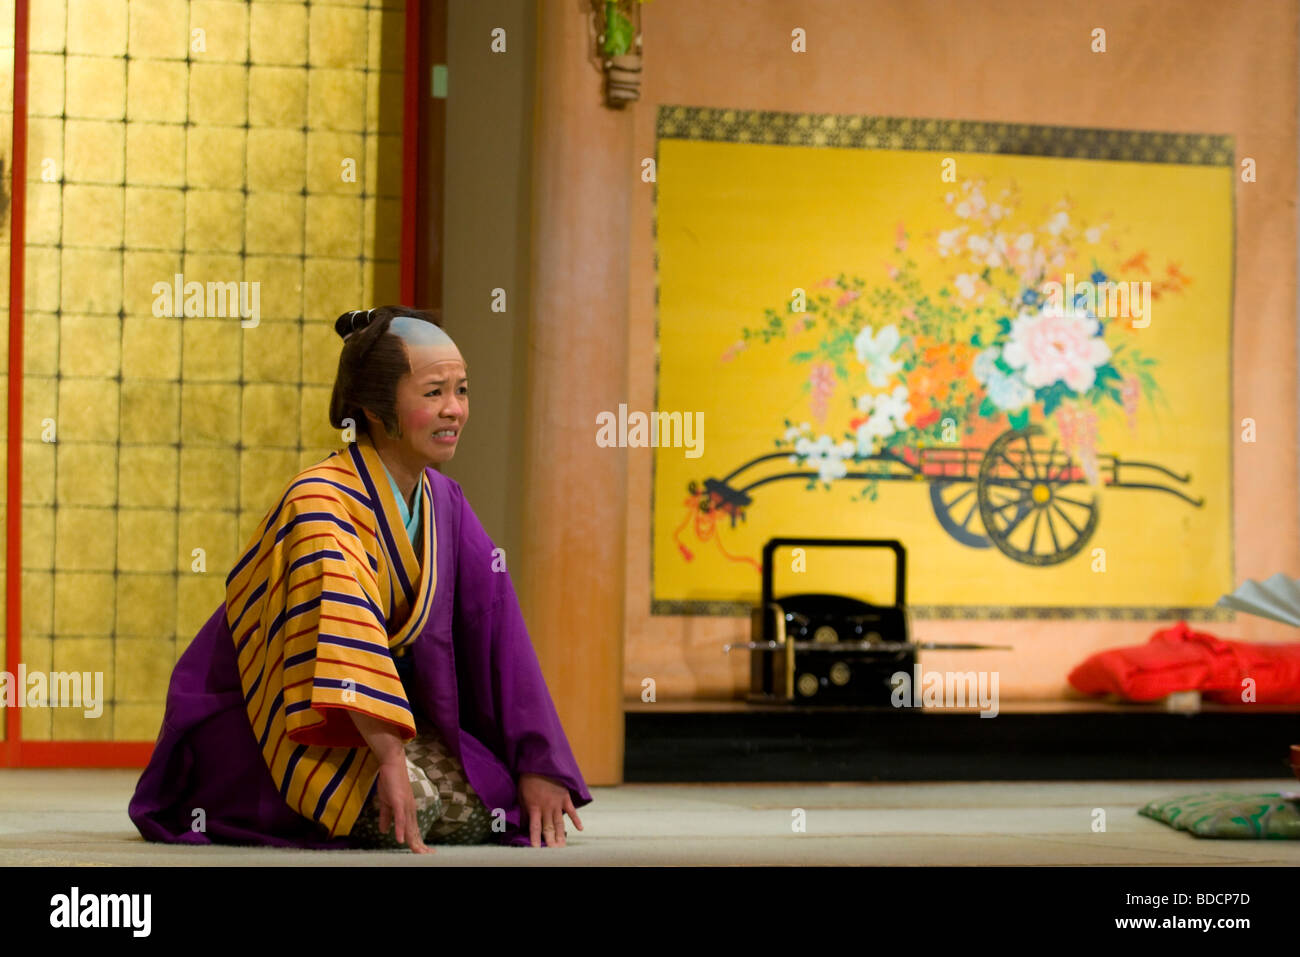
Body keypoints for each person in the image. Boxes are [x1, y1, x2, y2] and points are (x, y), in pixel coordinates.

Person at [129, 306, 592, 851]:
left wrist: (538, 761)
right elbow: (342, 639)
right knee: (417, 805)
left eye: (461, 390)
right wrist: (392, 758)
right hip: (277, 722)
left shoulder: (444, 503)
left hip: (370, 721)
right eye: (433, 392)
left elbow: (497, 634)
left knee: (497, 798)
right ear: (373, 407)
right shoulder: (319, 500)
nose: (454, 410)